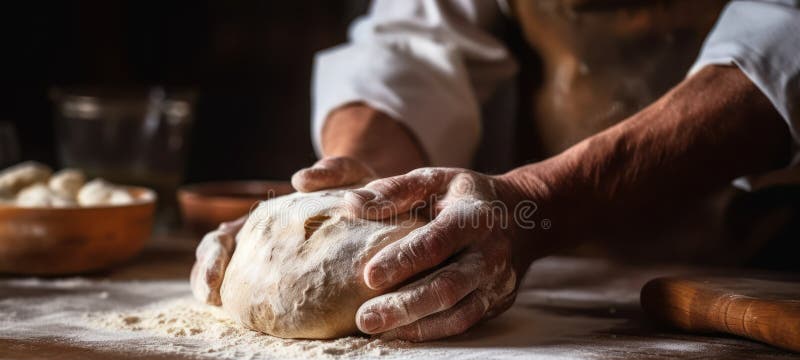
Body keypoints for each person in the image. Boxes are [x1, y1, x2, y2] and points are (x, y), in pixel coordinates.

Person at [195, 0, 800, 341]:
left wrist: (538, 198)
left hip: (768, 273)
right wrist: (363, 176)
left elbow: (786, 43)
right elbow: (415, 36)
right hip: (573, 298)